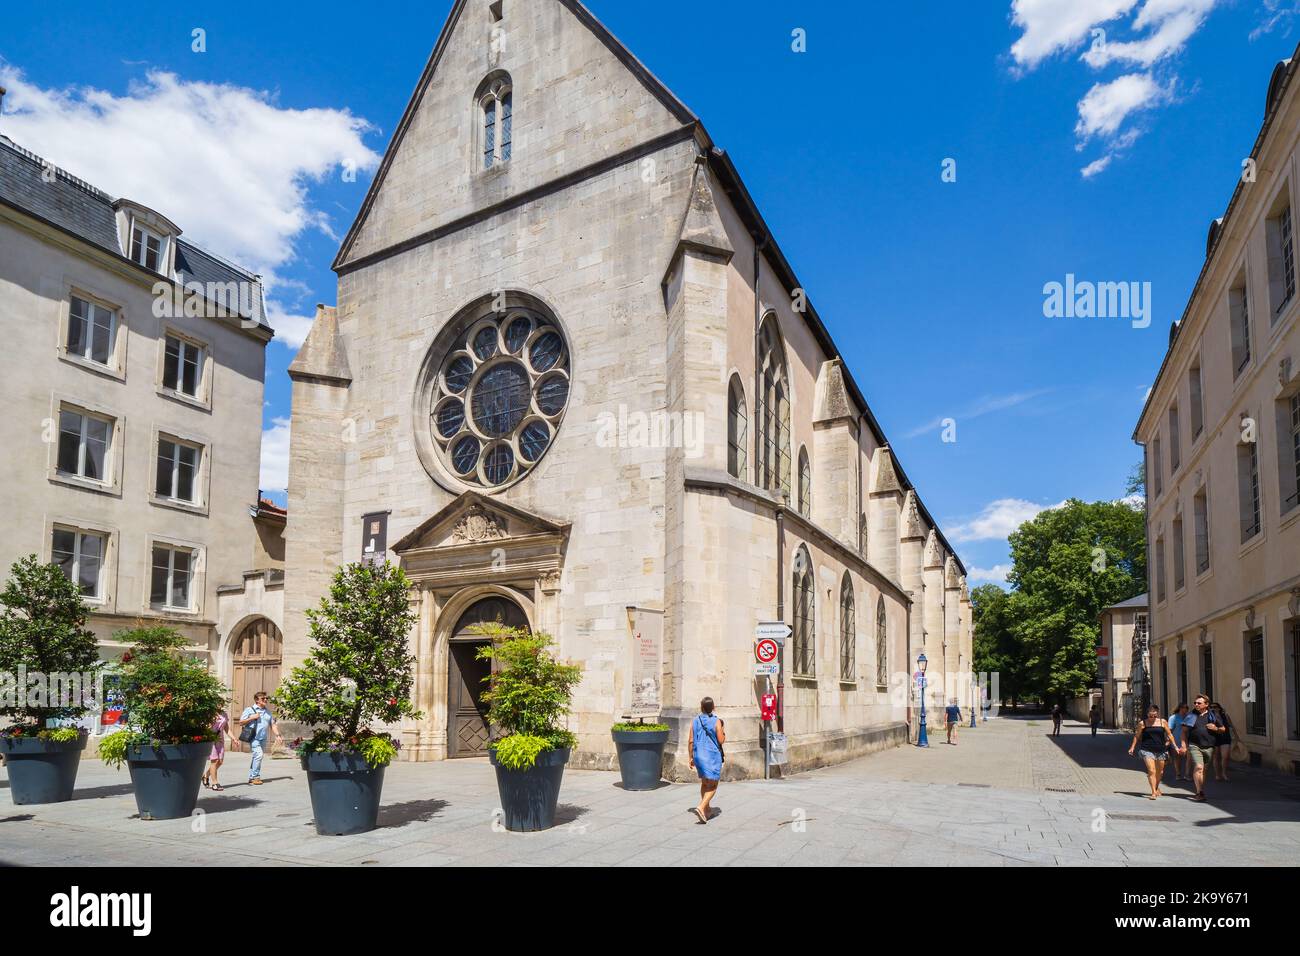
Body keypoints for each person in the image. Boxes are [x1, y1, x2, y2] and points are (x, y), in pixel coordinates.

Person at [1128, 705, 1180, 799]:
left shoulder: (1162, 722)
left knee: (1160, 772)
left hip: (1161, 749)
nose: (1152, 718)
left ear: (1157, 714)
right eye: (1150, 716)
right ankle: (1153, 792)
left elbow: (1170, 735)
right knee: (1151, 771)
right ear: (1147, 714)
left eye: (1154, 716)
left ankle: (1156, 787)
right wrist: (1132, 747)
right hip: (1147, 749)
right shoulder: (1142, 723)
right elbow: (1137, 736)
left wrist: (1175, 746)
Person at [687, 697, 725, 824]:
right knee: (713, 785)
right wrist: (723, 733)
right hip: (712, 756)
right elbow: (721, 740)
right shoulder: (716, 721)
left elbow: (691, 740)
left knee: (704, 783)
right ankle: (701, 806)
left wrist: (690, 757)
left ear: (701, 707)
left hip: (698, 755)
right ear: (713, 707)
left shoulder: (695, 720)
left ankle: (706, 810)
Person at [1180, 694, 1222, 803]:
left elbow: (1223, 729)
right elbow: (1184, 732)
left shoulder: (1213, 715)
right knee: (1199, 767)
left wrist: (1216, 728)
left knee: (1203, 770)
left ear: (1206, 704)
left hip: (1209, 747)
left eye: (1199, 703)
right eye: (1195, 703)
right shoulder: (1191, 716)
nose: (1196, 705)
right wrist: (1184, 745)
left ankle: (1200, 790)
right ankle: (1199, 791)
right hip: (1194, 745)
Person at [237, 692, 284, 786]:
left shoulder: (268, 712)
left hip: (263, 738)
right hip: (253, 738)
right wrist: (252, 717)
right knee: (259, 755)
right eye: (263, 698)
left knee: (256, 757)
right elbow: (241, 722)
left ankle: (251, 777)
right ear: (257, 700)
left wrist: (278, 735)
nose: (266, 700)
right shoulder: (249, 710)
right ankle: (256, 777)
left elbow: (273, 725)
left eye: (266, 698)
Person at [202, 710, 232, 791]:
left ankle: (206, 775)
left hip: (220, 740)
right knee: (214, 761)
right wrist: (212, 721)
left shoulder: (224, 714)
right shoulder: (209, 713)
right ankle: (215, 783)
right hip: (211, 739)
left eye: (221, 702)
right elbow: (205, 728)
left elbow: (226, 728)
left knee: (220, 762)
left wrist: (234, 738)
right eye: (218, 702)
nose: (220, 704)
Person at [1209, 701, 1235, 782]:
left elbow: (1232, 726)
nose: (1214, 708)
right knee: (1216, 757)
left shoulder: (1225, 716)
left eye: (1215, 707)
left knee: (1225, 757)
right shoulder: (1209, 717)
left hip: (1225, 737)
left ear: (1219, 708)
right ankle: (1217, 774)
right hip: (1214, 738)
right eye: (1212, 707)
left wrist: (1237, 738)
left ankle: (1224, 773)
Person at [1167, 703, 1189, 781]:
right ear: (1180, 708)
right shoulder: (1173, 717)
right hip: (1176, 740)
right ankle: (1178, 773)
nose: (1186, 709)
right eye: (1184, 707)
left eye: (1187, 708)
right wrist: (1168, 740)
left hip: (1188, 740)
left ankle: (1187, 774)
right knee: (1177, 758)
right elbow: (1169, 730)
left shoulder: (1188, 717)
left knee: (1189, 758)